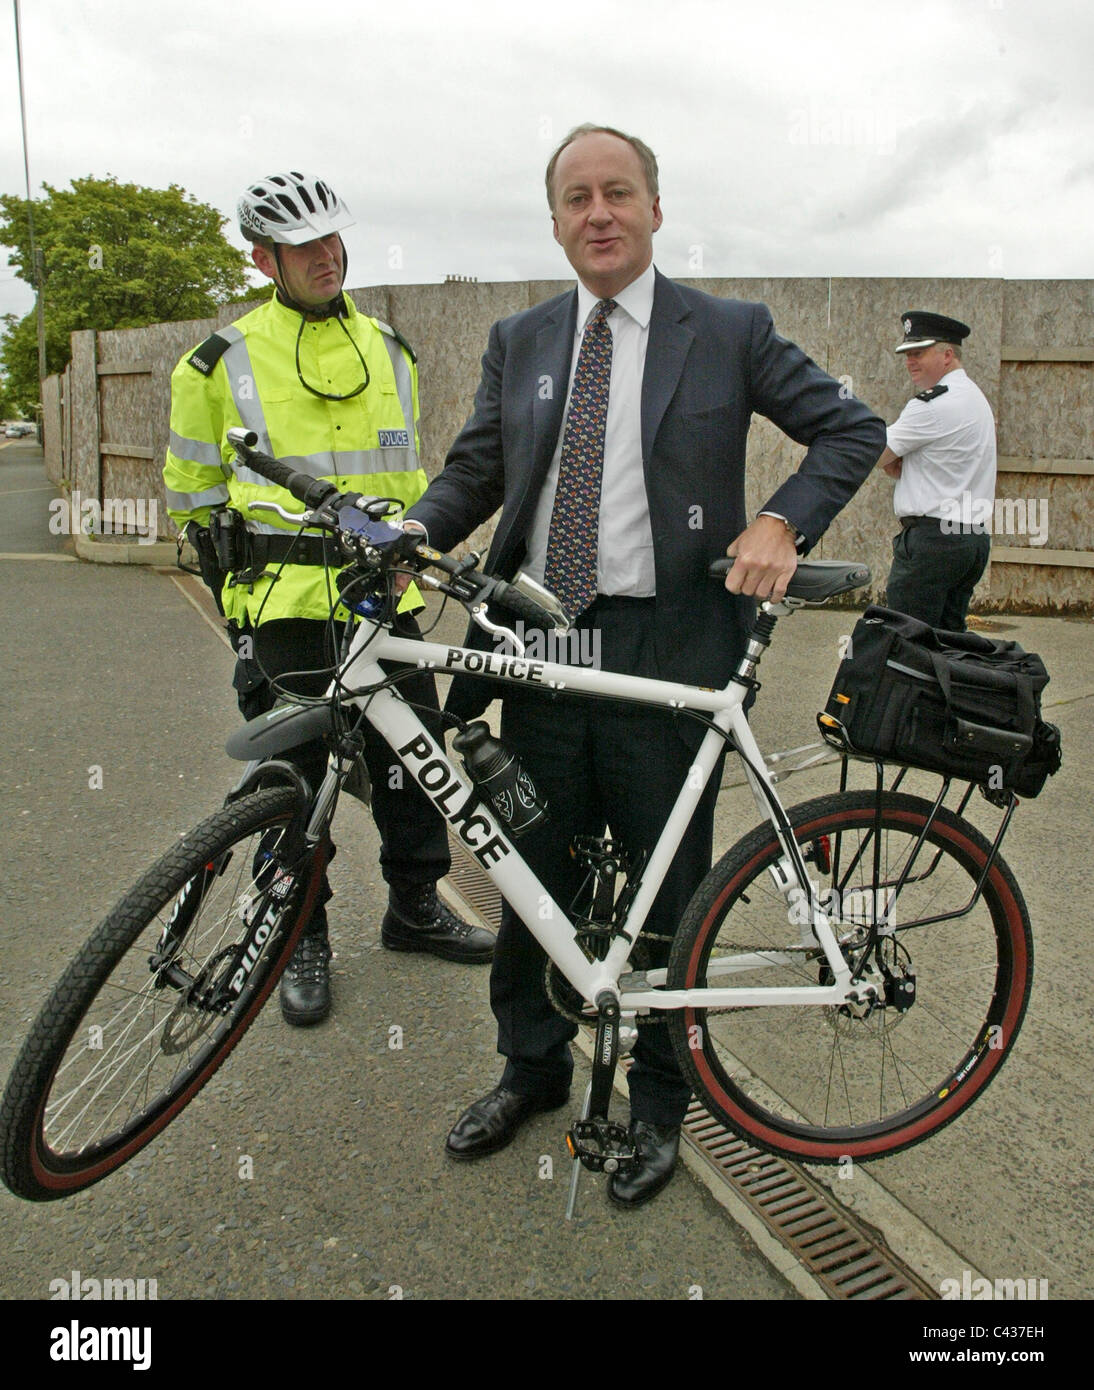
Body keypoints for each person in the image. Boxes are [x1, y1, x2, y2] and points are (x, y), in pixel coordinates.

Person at [403, 125, 885, 1206]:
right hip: (540, 640)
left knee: (670, 894)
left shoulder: (728, 330)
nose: (598, 213)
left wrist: (781, 522)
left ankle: (662, 1102)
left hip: (667, 647)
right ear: (555, 221)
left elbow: (851, 430)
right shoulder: (522, 337)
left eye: (617, 192)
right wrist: (416, 533)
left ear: (655, 209)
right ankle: (530, 1066)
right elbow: (477, 469)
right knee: (530, 873)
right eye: (576, 197)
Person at [164, 171, 493, 1028]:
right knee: (293, 779)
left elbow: (407, 472)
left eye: (332, 238)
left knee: (411, 761)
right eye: (303, 245)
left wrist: (412, 555)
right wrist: (235, 600)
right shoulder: (219, 362)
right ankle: (298, 932)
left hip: (382, 599)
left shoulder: (391, 349)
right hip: (283, 602)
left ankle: (414, 907)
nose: (326, 256)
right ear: (263, 259)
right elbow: (193, 496)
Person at [877, 311, 996, 631]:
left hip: (933, 543)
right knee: (948, 643)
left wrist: (890, 459)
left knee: (906, 640)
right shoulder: (975, 399)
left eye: (918, 353)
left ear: (947, 355)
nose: (910, 362)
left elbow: (874, 452)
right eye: (907, 354)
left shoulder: (930, 406)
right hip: (970, 539)